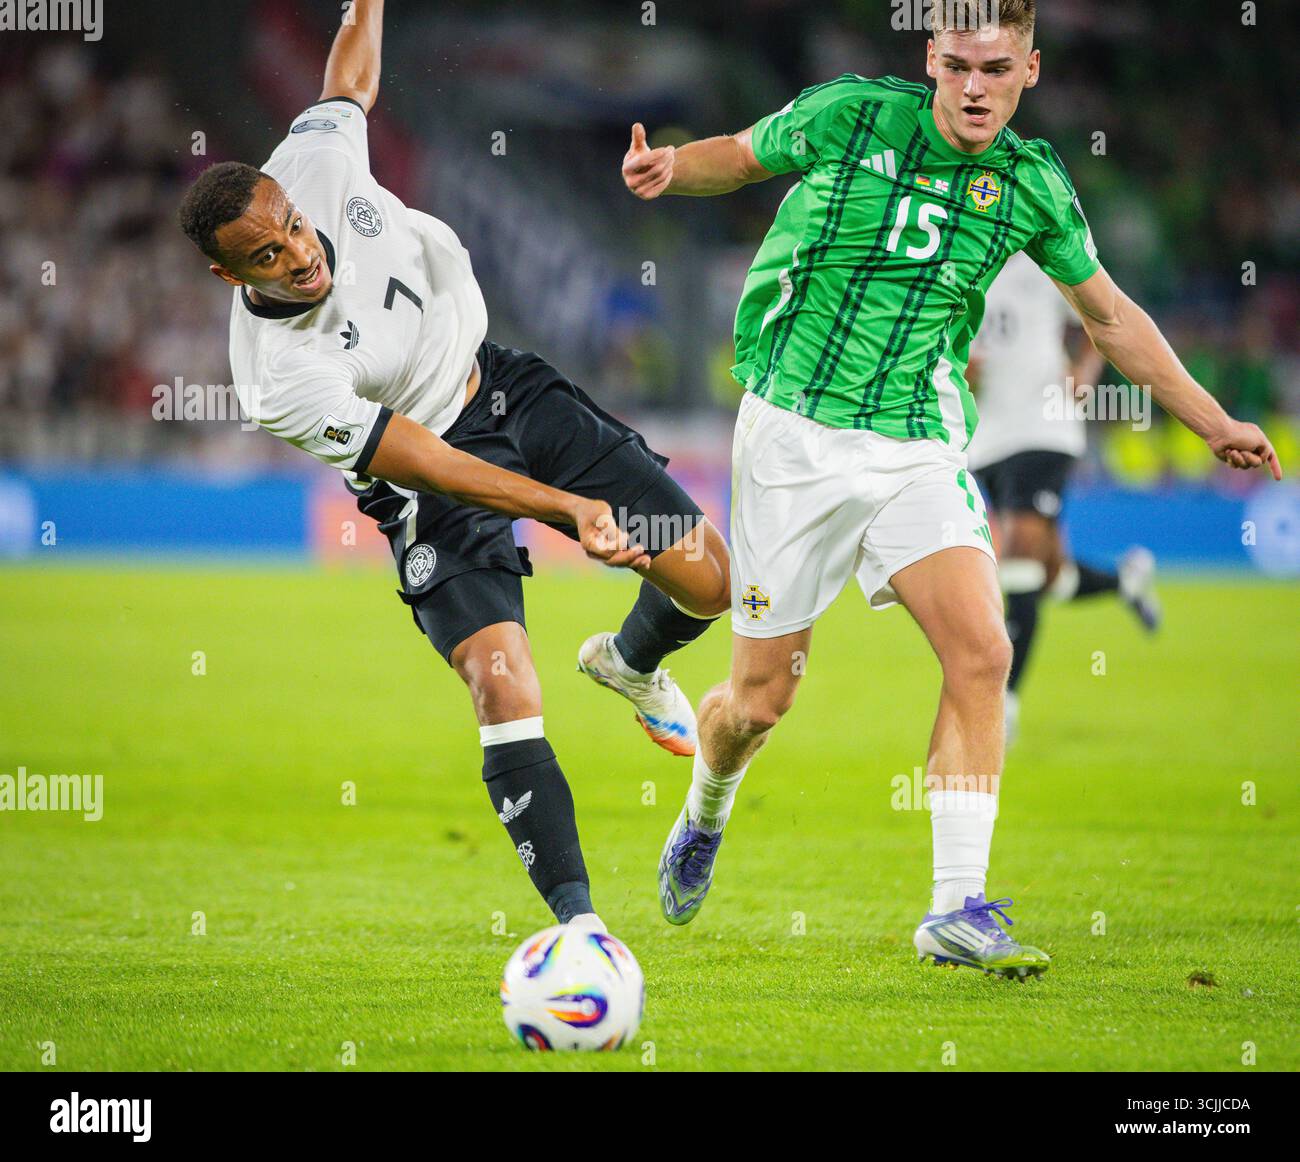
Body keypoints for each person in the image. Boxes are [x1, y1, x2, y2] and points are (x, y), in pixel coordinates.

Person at [622, 0, 1280, 975]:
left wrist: (1211, 417)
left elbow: (1108, 316)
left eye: (997, 69)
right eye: (960, 65)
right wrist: (673, 167)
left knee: (982, 648)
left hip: (916, 442)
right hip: (793, 436)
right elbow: (750, 153)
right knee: (758, 702)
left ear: (1030, 71)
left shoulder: (1032, 184)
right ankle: (705, 810)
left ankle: (954, 907)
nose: (975, 88)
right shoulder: (853, 115)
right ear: (930, 57)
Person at [177, 0, 731, 933]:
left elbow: (348, 80)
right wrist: (568, 511)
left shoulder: (307, 162)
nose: (300, 255)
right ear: (232, 277)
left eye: (295, 229)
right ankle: (580, 932)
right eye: (267, 257)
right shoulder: (280, 378)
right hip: (426, 487)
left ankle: (632, 664)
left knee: (709, 581)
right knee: (503, 686)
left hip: (509, 390)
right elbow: (428, 463)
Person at [966, 250, 1160, 744]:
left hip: (1044, 428)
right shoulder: (962, 261)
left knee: (1019, 556)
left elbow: (1107, 312)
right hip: (986, 439)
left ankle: (1004, 700)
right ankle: (1125, 582)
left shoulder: (1040, 264)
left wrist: (1085, 371)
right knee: (1050, 575)